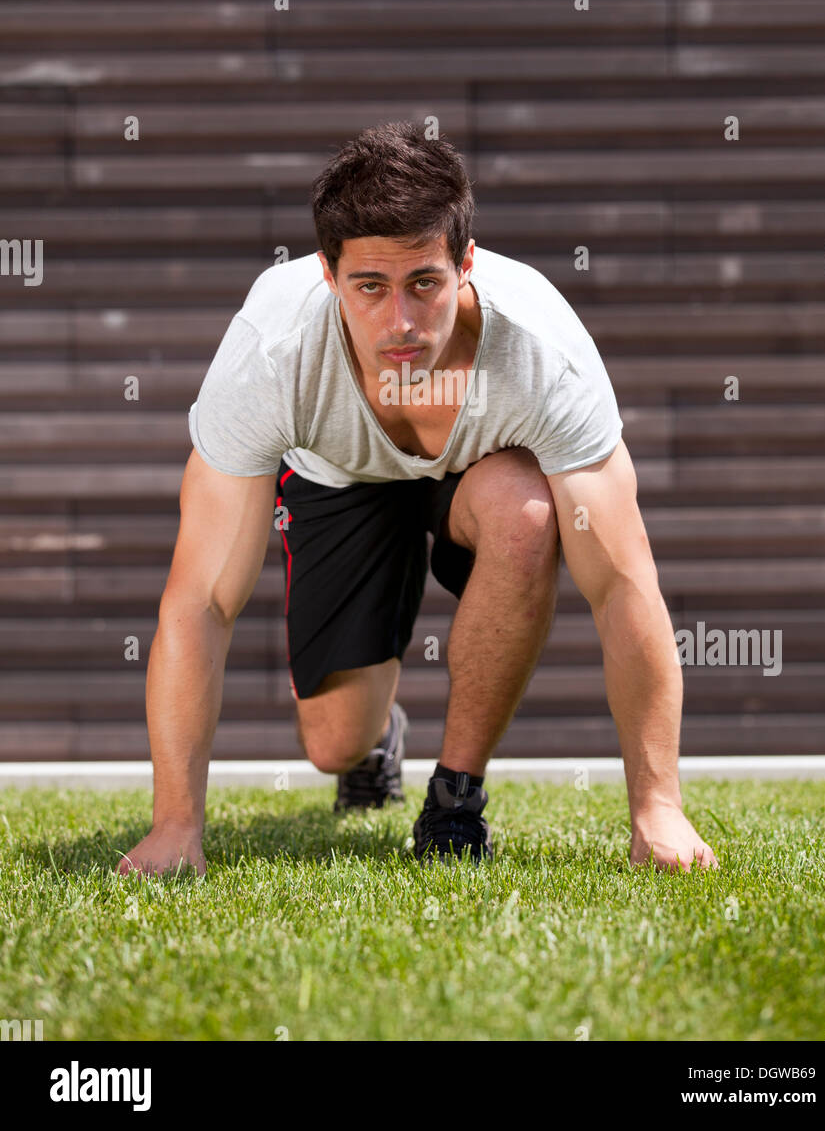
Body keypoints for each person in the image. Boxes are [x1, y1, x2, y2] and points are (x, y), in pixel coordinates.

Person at [117, 121, 717, 877]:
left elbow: (625, 584)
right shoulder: (271, 353)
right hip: (339, 474)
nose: (400, 322)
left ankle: (454, 798)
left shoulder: (542, 353)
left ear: (465, 265)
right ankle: (379, 738)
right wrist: (175, 826)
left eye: (424, 284)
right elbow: (198, 602)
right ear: (328, 275)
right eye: (370, 286)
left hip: (477, 469)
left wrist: (658, 808)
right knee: (333, 743)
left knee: (529, 515)